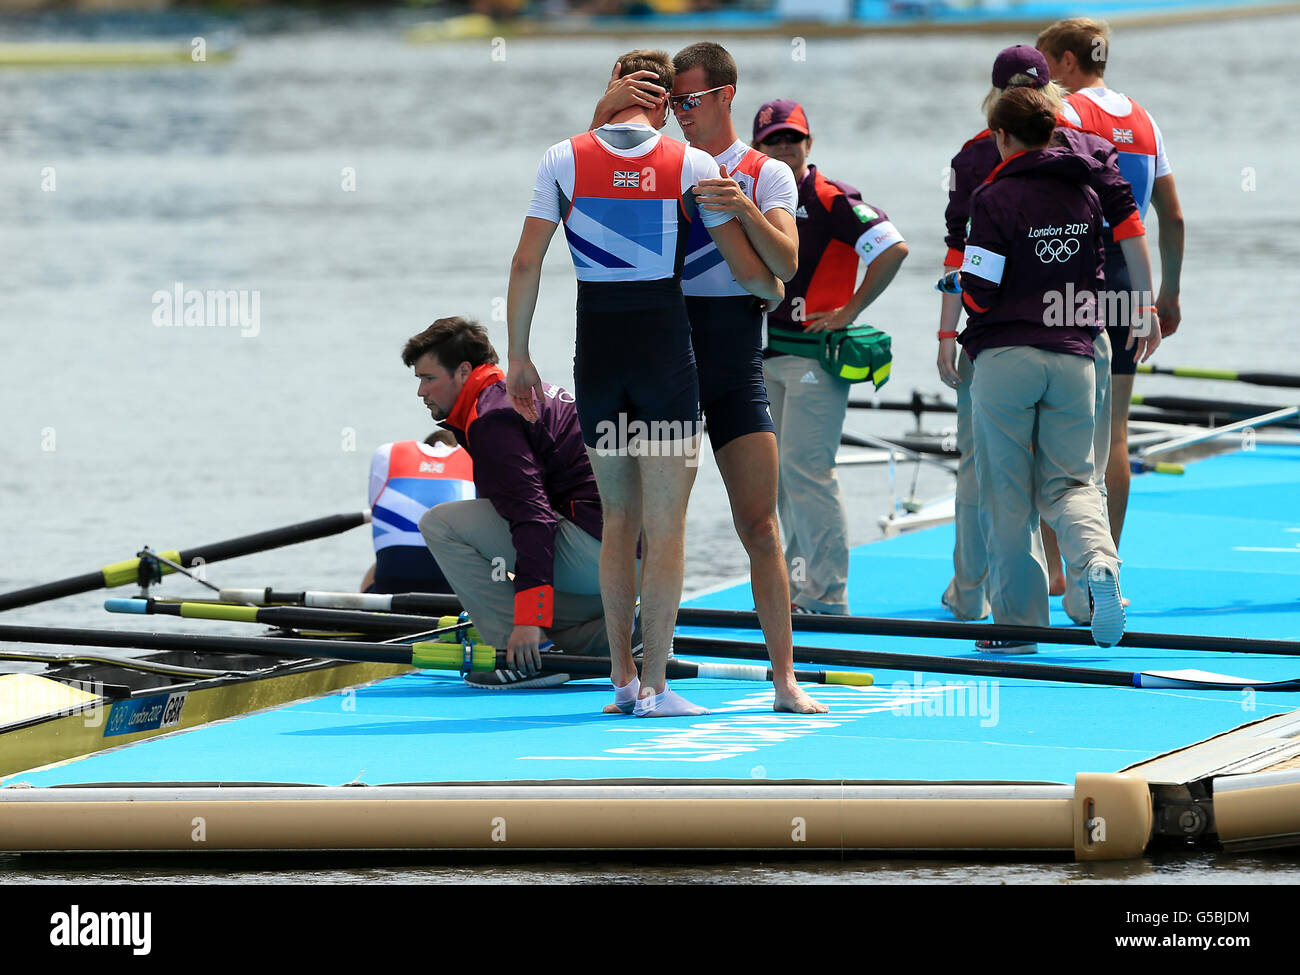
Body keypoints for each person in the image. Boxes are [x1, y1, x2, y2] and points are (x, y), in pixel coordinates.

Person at [506, 49, 786, 717]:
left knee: (619, 524)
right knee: (667, 528)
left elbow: (525, 262)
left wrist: (517, 357)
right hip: (665, 356)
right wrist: (772, 289)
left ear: (612, 91)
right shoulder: (692, 165)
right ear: (664, 103)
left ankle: (621, 679)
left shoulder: (562, 158)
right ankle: (658, 687)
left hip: (595, 354)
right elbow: (751, 272)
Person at [592, 42, 827, 715]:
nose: (678, 113)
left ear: (724, 96)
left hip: (734, 362)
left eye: (688, 101)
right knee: (644, 521)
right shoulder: (658, 164)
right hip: (667, 355)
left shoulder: (767, 172)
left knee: (760, 524)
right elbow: (588, 163)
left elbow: (783, 267)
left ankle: (784, 680)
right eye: (671, 102)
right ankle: (634, 678)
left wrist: (742, 207)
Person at [937, 43, 1158, 630]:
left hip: (1006, 355)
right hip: (1079, 348)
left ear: (1003, 130)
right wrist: (1146, 304)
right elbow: (1132, 229)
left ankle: (1018, 627)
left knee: (1007, 494)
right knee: (1073, 481)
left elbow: (979, 287)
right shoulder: (1088, 169)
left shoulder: (987, 184)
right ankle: (1099, 566)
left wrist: (951, 311)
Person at [753, 99, 908, 617]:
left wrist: (850, 309)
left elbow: (894, 250)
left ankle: (829, 594)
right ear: (758, 147)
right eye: (773, 140)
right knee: (775, 477)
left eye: (792, 139)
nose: (784, 148)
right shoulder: (751, 194)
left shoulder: (831, 198)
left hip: (817, 359)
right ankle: (796, 589)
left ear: (808, 144)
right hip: (766, 357)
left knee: (808, 469)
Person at [1037, 18, 1186, 550]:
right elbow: (1173, 217)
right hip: (1129, 278)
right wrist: (1166, 295)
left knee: (1056, 429)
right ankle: (1108, 559)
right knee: (1114, 432)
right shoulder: (1146, 120)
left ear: (1068, 63)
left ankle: (1058, 571)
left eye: (1044, 64)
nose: (1039, 76)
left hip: (1073, 276)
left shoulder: (1065, 111)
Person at [408, 317, 610, 689]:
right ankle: (614, 634)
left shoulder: (493, 418)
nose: (421, 391)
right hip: (626, 557)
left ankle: (515, 656)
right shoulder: (504, 396)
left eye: (428, 378)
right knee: (525, 592)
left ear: (464, 371)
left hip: (599, 551)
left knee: (439, 523)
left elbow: (534, 521)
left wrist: (528, 619)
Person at [362, 430, 474, 595]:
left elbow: (375, 508)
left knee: (381, 562)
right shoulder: (475, 457)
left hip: (392, 582)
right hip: (454, 588)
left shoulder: (387, 454)